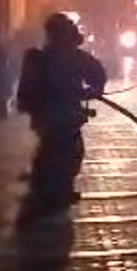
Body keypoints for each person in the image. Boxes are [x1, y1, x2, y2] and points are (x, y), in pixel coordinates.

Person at [16, 13, 107, 214]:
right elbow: (97, 73)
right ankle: (57, 191)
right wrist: (93, 90)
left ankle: (47, 191)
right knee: (70, 154)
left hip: (47, 119)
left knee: (49, 152)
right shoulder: (73, 57)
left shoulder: (40, 57)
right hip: (65, 118)